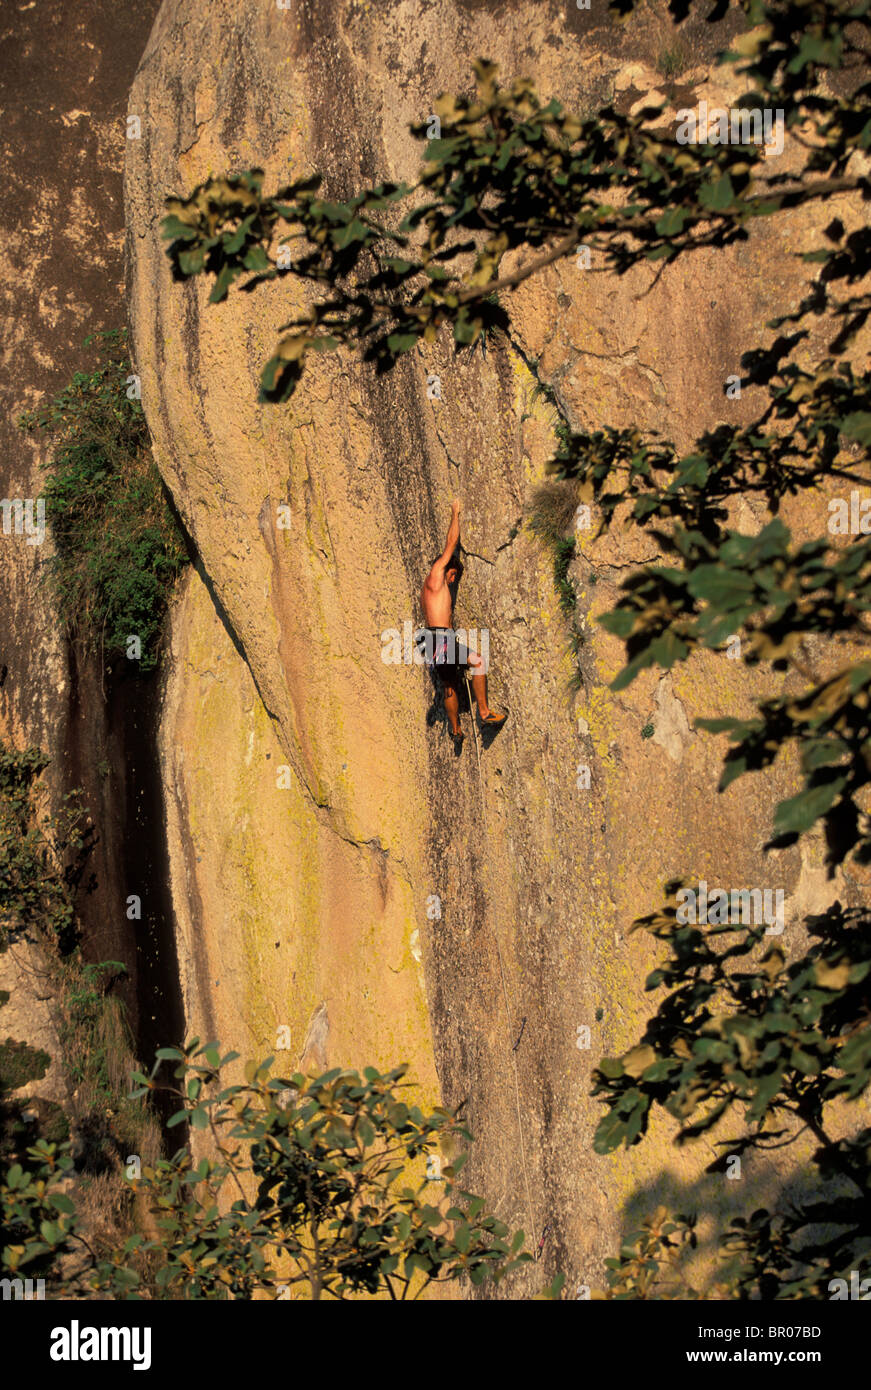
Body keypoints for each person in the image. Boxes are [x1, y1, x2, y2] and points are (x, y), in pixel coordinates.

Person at [417, 500, 507, 745]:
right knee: (478, 660)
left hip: (429, 640)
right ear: (448, 569)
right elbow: (450, 544)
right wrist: (455, 513)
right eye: (454, 576)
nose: (453, 581)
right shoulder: (437, 572)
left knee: (448, 684)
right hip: (439, 637)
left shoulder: (426, 591)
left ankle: (456, 729)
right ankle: (485, 713)